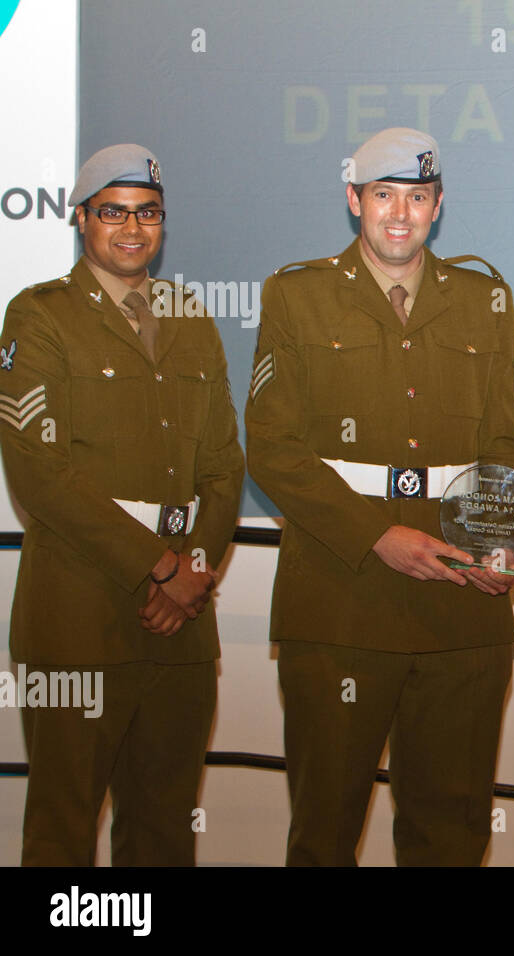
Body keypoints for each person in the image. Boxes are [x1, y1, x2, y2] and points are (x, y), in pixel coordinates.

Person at [245, 127, 514, 866]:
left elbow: (502, 442)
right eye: (383, 195)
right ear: (353, 201)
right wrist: (377, 536)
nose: (400, 213)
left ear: (437, 205)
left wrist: (500, 544)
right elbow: (273, 448)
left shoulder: (484, 299)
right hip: (342, 598)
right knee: (326, 831)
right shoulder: (295, 295)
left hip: (460, 605)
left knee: (451, 835)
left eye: (417, 196)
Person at [0, 144, 244, 865]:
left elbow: (224, 469)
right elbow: (41, 474)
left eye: (148, 214)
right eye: (113, 212)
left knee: (165, 829)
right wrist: (159, 567)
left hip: (183, 621)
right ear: (82, 219)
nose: (132, 229)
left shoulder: (191, 318)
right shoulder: (39, 317)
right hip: (78, 614)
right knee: (62, 829)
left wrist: (191, 569)